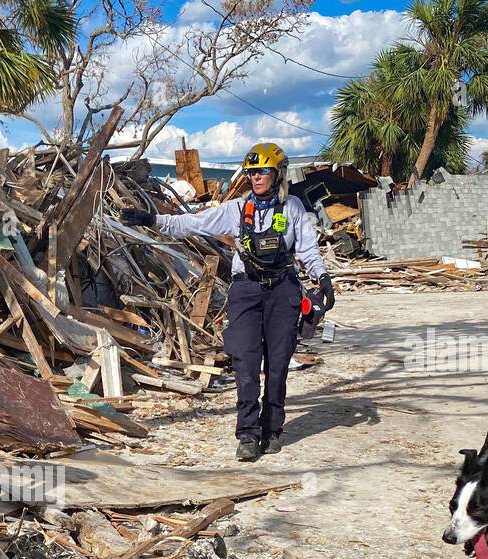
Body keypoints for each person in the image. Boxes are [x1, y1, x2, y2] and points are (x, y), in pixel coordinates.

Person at [121, 143, 334, 461]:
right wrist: (151, 219)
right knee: (246, 365)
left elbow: (307, 251)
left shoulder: (292, 209)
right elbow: (193, 223)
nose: (256, 178)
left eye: (262, 172)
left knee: (277, 367)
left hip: (283, 291)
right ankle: (247, 434)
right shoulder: (236, 209)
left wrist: (323, 277)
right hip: (246, 291)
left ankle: (272, 429)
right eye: (251, 173)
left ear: (277, 174)